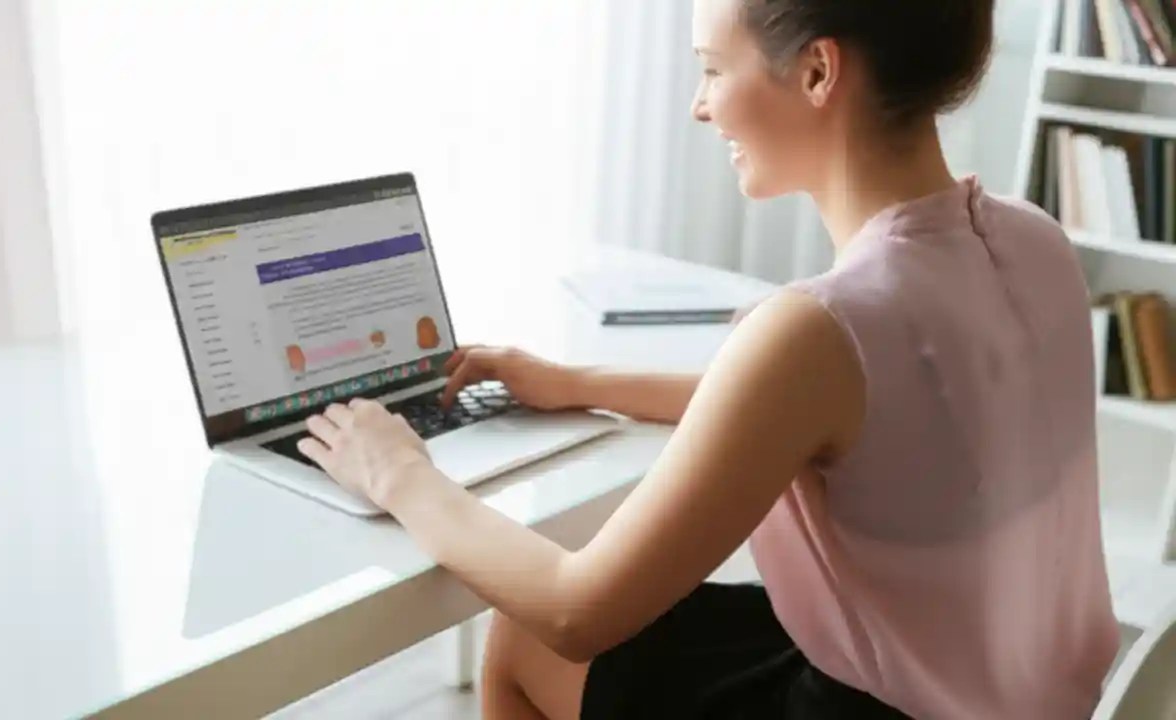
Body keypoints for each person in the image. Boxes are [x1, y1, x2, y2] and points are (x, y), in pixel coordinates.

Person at [296, 0, 1121, 717]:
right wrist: (575, 383)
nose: (699, 107)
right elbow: (839, 411)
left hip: (883, 707)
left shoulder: (818, 326)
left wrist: (398, 473)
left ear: (818, 72)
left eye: (712, 69)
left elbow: (575, 609)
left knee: (524, 644)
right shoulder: (1029, 239)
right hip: (1012, 686)